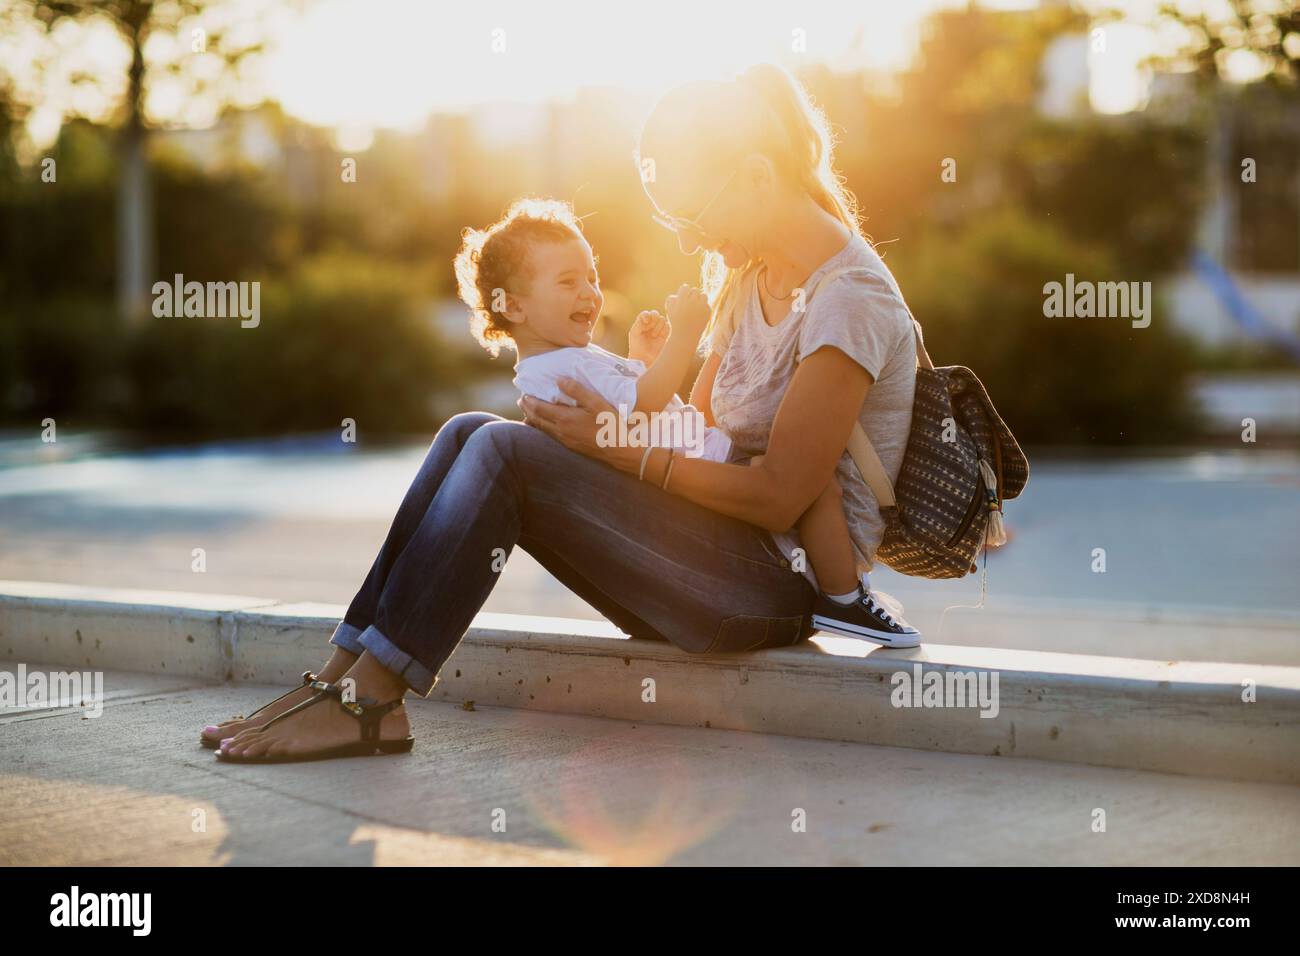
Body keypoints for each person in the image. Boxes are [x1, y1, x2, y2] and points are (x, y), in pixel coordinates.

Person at [202, 64, 921, 764]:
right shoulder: (744, 279)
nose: (685, 242)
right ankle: (337, 682)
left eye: (692, 217)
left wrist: (615, 452)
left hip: (775, 590)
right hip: (700, 559)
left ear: (760, 177)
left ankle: (372, 705)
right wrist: (602, 433)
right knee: (469, 432)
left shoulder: (849, 298)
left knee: (505, 454)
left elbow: (780, 494)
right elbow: (693, 432)